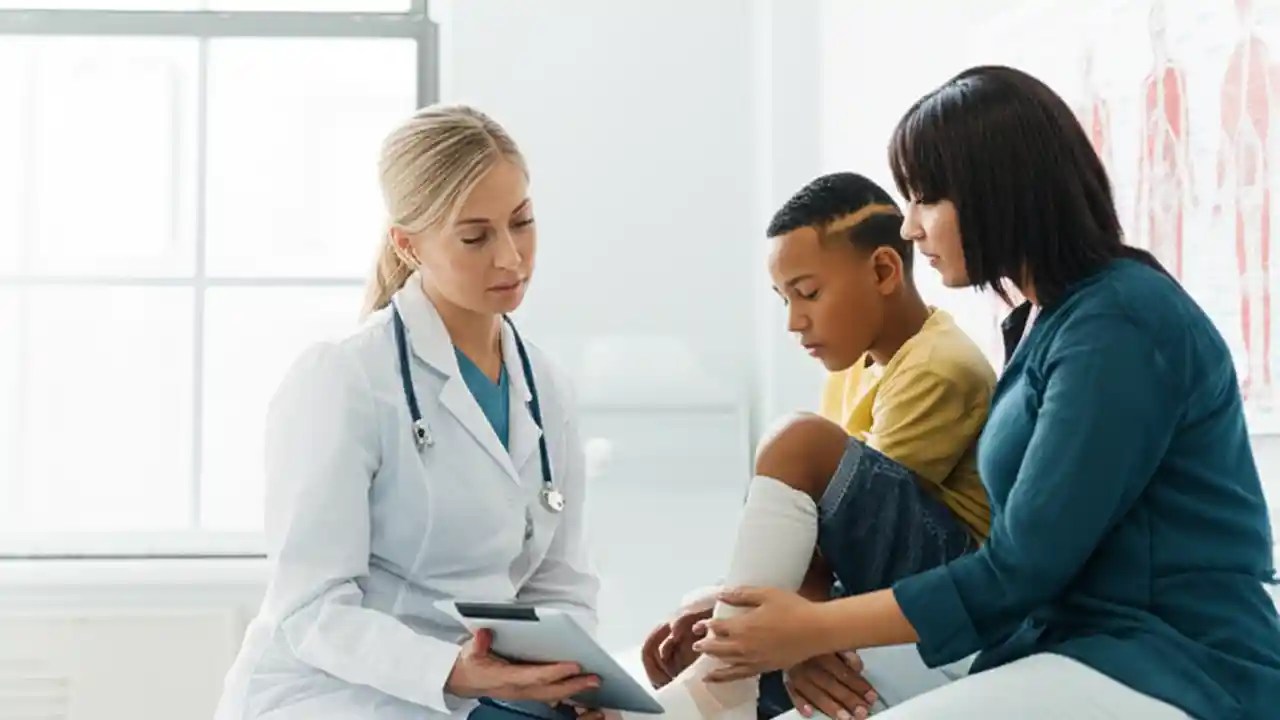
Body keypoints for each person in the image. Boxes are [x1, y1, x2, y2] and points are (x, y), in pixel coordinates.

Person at [690, 66, 1280, 720]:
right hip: (1062, 643)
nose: (910, 228)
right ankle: (718, 694)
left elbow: (1022, 566)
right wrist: (792, 629)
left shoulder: (1120, 322)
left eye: (925, 199)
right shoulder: (1047, 319)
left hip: (1180, 661)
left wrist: (811, 628)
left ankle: (716, 695)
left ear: (998, 194)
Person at [214, 105, 600, 720]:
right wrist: (451, 670)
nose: (511, 258)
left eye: (522, 223)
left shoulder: (546, 387)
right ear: (407, 242)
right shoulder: (345, 379)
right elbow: (311, 609)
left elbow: (560, 585)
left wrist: (577, 682)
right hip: (341, 694)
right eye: (475, 236)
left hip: (486, 695)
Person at [632, 173, 997, 720]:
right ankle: (725, 684)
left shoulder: (939, 366)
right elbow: (815, 529)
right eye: (783, 299)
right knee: (692, 642)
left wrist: (782, 628)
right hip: (884, 576)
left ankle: (724, 689)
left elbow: (838, 535)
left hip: (958, 586)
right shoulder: (853, 366)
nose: (794, 321)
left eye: (808, 294)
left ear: (882, 270)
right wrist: (723, 610)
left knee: (797, 441)